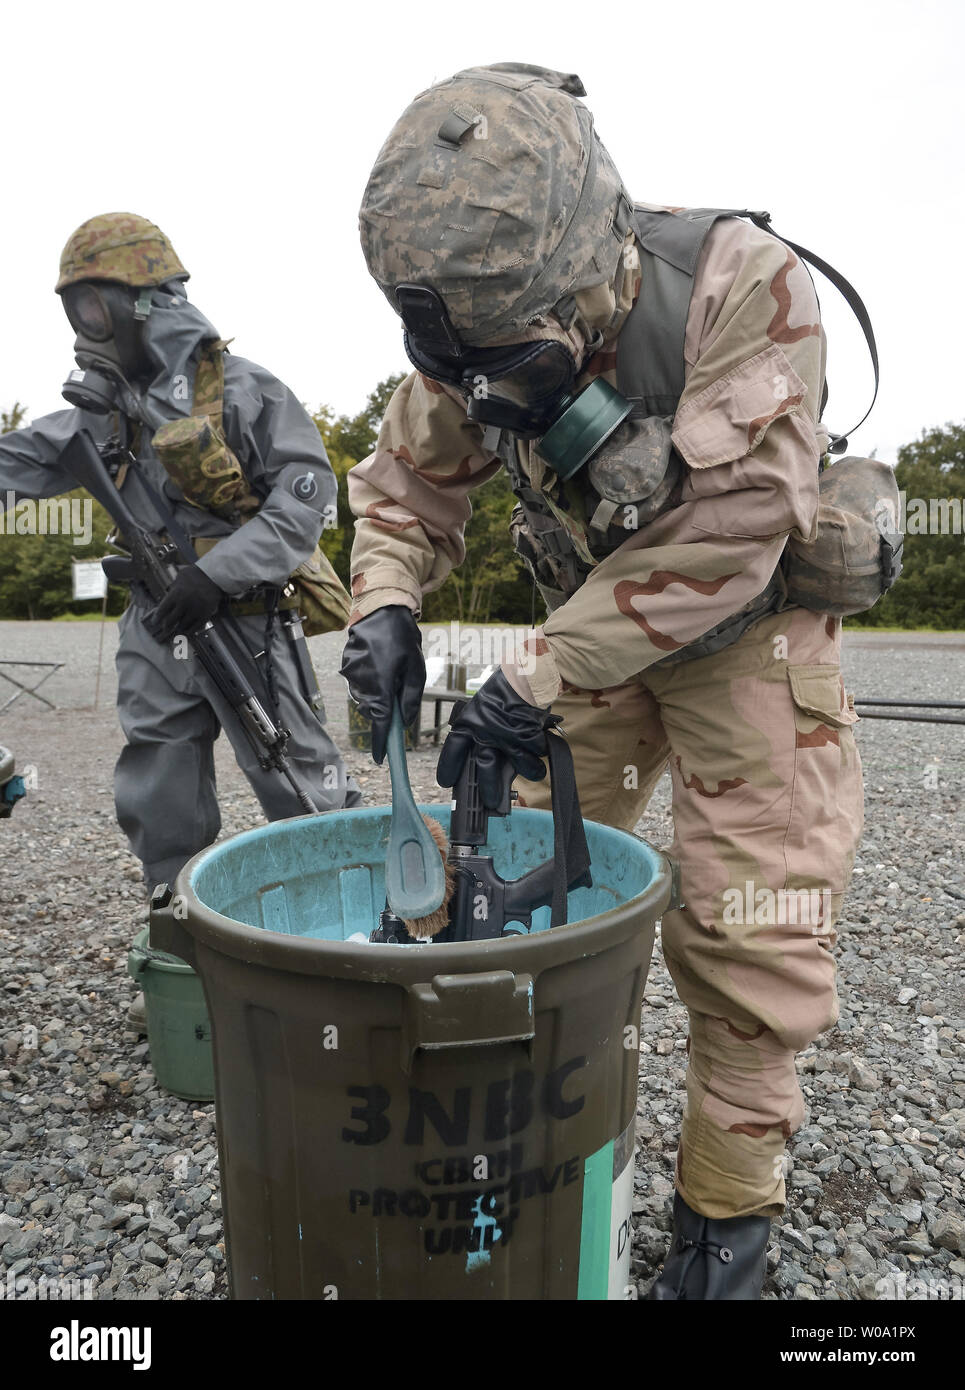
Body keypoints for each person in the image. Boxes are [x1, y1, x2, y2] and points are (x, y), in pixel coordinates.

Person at [340, 64, 864, 1299]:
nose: (481, 381)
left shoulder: (743, 288)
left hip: (750, 641)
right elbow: (403, 486)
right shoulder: (474, 320)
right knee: (492, 871)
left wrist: (534, 667)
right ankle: (498, 1137)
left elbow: (735, 528)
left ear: (584, 271)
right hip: (589, 632)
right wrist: (384, 604)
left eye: (509, 356)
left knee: (748, 933)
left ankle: (721, 1232)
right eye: (455, 356)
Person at [0, 212, 361, 900]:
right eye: (76, 309)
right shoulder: (100, 417)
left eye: (94, 307)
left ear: (146, 303)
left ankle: (347, 925)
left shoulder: (243, 392)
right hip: (154, 618)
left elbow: (304, 503)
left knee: (296, 779)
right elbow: (13, 464)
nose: (86, 326)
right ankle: (178, 933)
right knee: (158, 779)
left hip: (245, 620)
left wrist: (216, 573)